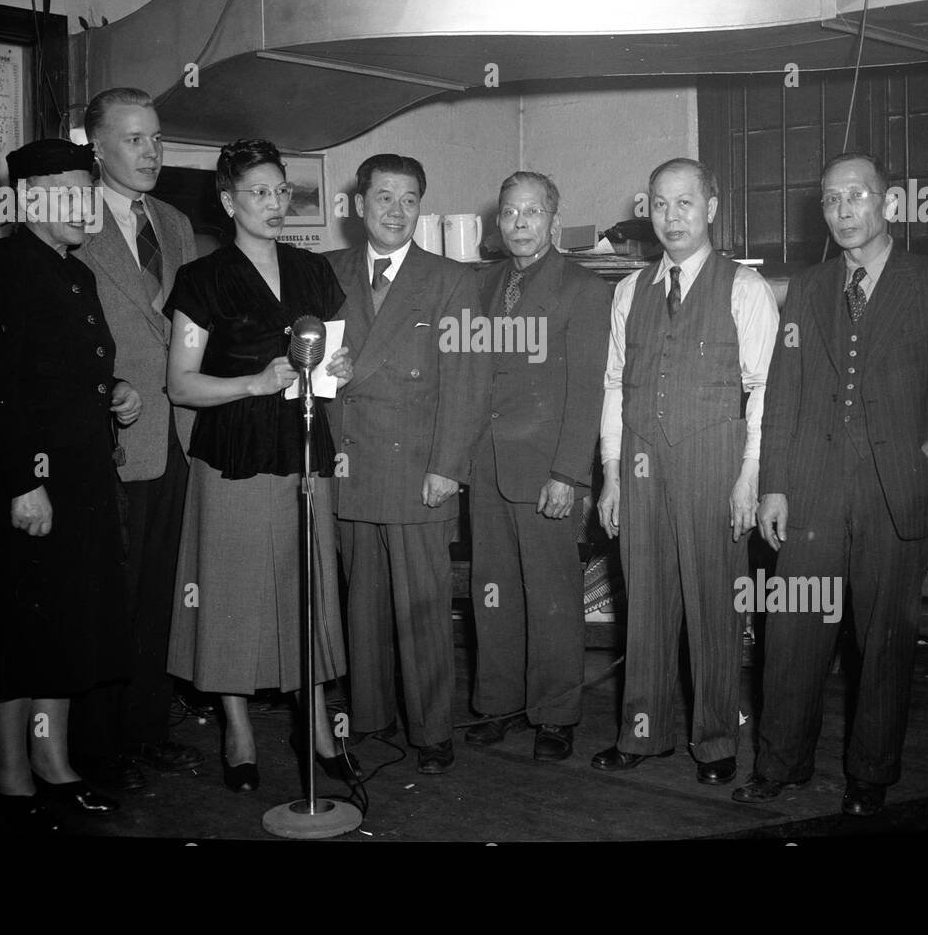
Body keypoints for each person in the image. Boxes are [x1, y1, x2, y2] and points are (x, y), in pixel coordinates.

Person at [735, 151, 928, 817]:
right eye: (830, 200)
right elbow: (784, 394)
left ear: (890, 205)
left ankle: (871, 774)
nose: (843, 211)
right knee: (791, 634)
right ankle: (780, 763)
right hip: (811, 495)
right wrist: (775, 486)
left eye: (857, 197)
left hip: (895, 497)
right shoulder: (808, 288)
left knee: (886, 644)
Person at [0, 138, 138, 831]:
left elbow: (63, 374)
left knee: (62, 623)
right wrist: (20, 484)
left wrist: (115, 391)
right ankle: (9, 773)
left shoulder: (74, 273)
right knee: (11, 628)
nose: (84, 206)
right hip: (21, 480)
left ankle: (54, 762)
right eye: (68, 192)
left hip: (78, 477)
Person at [165, 139, 356, 791]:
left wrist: (340, 369)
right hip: (234, 454)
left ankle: (319, 723)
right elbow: (182, 384)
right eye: (259, 193)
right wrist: (252, 382)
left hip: (303, 447)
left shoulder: (314, 272)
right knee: (232, 594)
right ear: (228, 201)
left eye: (282, 191)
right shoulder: (201, 279)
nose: (275, 204)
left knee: (308, 588)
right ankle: (238, 730)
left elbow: (332, 360)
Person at [594, 158, 779, 784]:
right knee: (642, 601)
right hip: (641, 467)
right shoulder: (628, 291)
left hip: (715, 463)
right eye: (659, 205)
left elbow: (764, 391)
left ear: (712, 207)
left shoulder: (745, 288)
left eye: (685, 204)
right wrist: (612, 474)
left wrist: (750, 474)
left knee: (713, 605)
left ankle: (717, 741)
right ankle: (643, 735)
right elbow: (616, 385)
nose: (671, 218)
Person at [327, 154, 489, 774]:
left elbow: (469, 383)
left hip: (420, 467)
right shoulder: (326, 270)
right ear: (358, 205)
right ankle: (369, 718)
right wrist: (324, 373)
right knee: (360, 602)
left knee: (421, 608)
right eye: (384, 198)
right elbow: (302, 358)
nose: (396, 211)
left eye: (410, 199)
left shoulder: (452, 278)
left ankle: (432, 730)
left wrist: (448, 466)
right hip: (349, 462)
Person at [70, 87, 204, 790]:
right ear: (95, 146)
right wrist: (100, 398)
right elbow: (53, 344)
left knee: (161, 595)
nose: (151, 152)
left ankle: (148, 729)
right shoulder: (68, 222)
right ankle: (97, 748)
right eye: (134, 140)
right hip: (111, 441)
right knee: (107, 597)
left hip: (179, 437)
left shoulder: (176, 223)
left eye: (156, 139)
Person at [466, 172, 611, 762]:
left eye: (532, 212)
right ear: (497, 223)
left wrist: (569, 474)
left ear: (554, 219)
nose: (520, 223)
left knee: (551, 593)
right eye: (509, 213)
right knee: (492, 590)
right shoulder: (481, 284)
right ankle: (497, 704)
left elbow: (586, 393)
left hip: (547, 468)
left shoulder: (584, 288)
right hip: (486, 465)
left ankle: (555, 714)